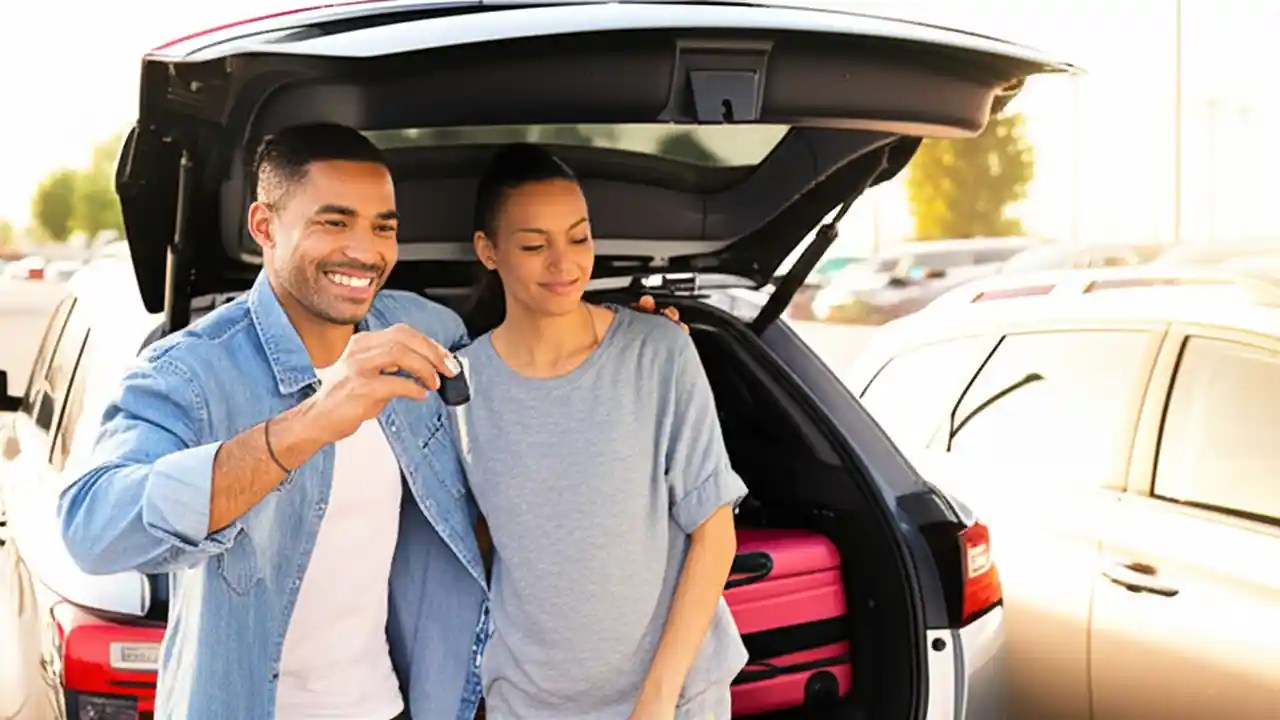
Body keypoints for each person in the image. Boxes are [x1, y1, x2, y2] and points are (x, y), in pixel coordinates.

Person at [56, 123, 678, 720]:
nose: (365, 251)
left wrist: (614, 342)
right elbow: (94, 526)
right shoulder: (187, 374)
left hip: (394, 705)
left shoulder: (423, 330)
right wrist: (312, 422)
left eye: (383, 227)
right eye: (335, 223)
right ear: (264, 226)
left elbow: (517, 383)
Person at [453, 143, 749, 720]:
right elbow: (477, 548)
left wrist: (658, 701)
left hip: (675, 700)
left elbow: (715, 535)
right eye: (535, 246)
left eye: (579, 237)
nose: (564, 264)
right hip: (528, 704)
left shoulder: (660, 353)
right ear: (488, 252)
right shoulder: (459, 387)